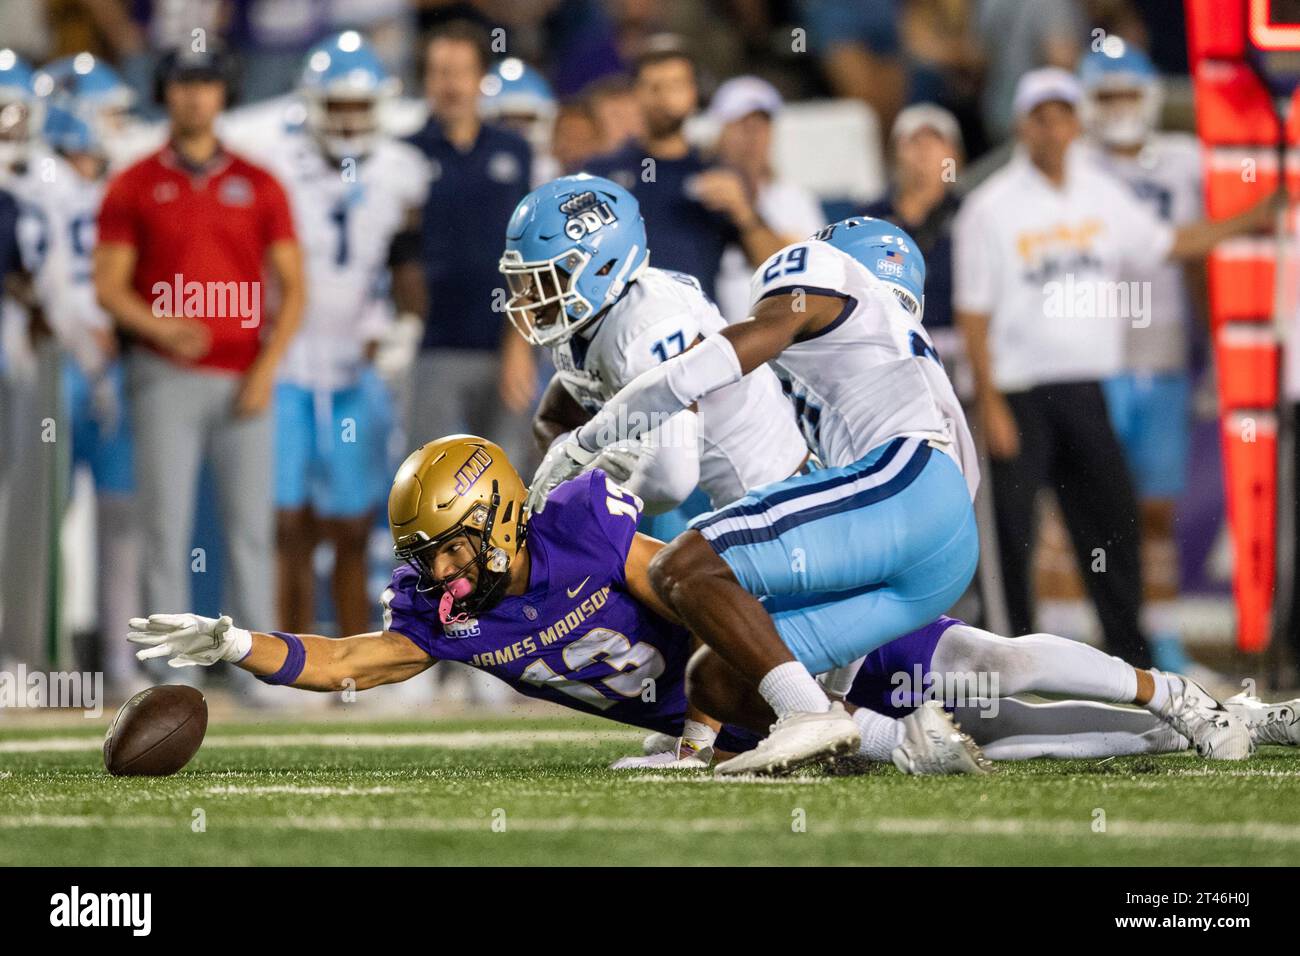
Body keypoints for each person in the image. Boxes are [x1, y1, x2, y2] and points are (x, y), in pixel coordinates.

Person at [125, 436, 1283, 773]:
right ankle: (1176, 733)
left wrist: (709, 723)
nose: (434, 571)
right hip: (746, 724)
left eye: (445, 547)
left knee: (984, 663)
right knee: (977, 752)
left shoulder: (581, 521)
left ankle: (1184, 695)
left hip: (774, 659)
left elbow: (698, 590)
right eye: (424, 554)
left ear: (500, 517)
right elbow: (350, 663)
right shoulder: (446, 611)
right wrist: (240, 642)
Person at [528, 214, 981, 776]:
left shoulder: (813, 273)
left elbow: (690, 385)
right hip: (940, 537)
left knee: (686, 569)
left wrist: (588, 446)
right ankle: (907, 739)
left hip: (896, 485)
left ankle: (803, 720)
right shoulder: (904, 356)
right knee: (714, 676)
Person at [953, 68, 1274, 668]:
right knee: (1012, 531)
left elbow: (1170, 242)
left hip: (1086, 386)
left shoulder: (1098, 194)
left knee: (1111, 522)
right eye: (1040, 116)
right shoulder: (989, 206)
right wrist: (989, 399)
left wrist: (1250, 218)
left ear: (1076, 123)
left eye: (1062, 115)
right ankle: (1008, 654)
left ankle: (1131, 657)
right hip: (1018, 390)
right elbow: (973, 313)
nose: (1052, 127)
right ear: (1024, 125)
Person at [93, 45, 304, 651]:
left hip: (245, 376)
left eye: (207, 83)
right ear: (165, 91)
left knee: (249, 529)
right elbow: (108, 285)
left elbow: (294, 289)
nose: (194, 95)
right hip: (164, 373)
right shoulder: (134, 183)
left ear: (224, 93)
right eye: (183, 83)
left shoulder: (259, 182)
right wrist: (161, 328)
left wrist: (267, 367)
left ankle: (259, 662)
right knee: (165, 526)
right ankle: (166, 668)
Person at [233, 31, 429, 638]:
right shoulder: (274, 161)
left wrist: (407, 323)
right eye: (336, 105)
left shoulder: (404, 170)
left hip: (358, 362)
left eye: (357, 106)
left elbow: (408, 260)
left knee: (352, 523)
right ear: (312, 103)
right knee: (285, 523)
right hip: (287, 359)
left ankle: (350, 657)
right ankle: (288, 652)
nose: (347, 120)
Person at [1078, 45, 1206, 676]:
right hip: (1092, 355)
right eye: (1106, 95)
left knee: (1155, 508)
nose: (1120, 108)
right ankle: (1099, 641)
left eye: (1129, 93)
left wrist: (1210, 345)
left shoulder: (1184, 162)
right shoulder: (1071, 164)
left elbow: (1202, 264)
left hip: (1162, 351)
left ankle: (1164, 641)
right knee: (1094, 507)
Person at [403, 20, 536, 467]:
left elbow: (532, 252)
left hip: (505, 345)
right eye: (440, 71)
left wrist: (520, 343)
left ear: (481, 78)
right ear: (425, 78)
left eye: (461, 71)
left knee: (507, 488)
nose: (451, 84)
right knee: (434, 490)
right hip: (433, 344)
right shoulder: (403, 154)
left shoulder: (517, 152)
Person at [582, 45, 786, 303]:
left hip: (698, 331)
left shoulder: (718, 174)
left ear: (694, 93)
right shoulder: (601, 174)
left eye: (676, 85)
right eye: (655, 87)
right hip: (621, 328)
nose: (665, 97)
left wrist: (744, 212)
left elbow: (777, 268)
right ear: (636, 95)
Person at [705, 76, 825, 325]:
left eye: (761, 126)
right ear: (721, 131)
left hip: (777, 340)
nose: (753, 137)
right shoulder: (697, 194)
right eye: (742, 125)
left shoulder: (794, 198)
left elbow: (811, 275)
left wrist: (744, 213)